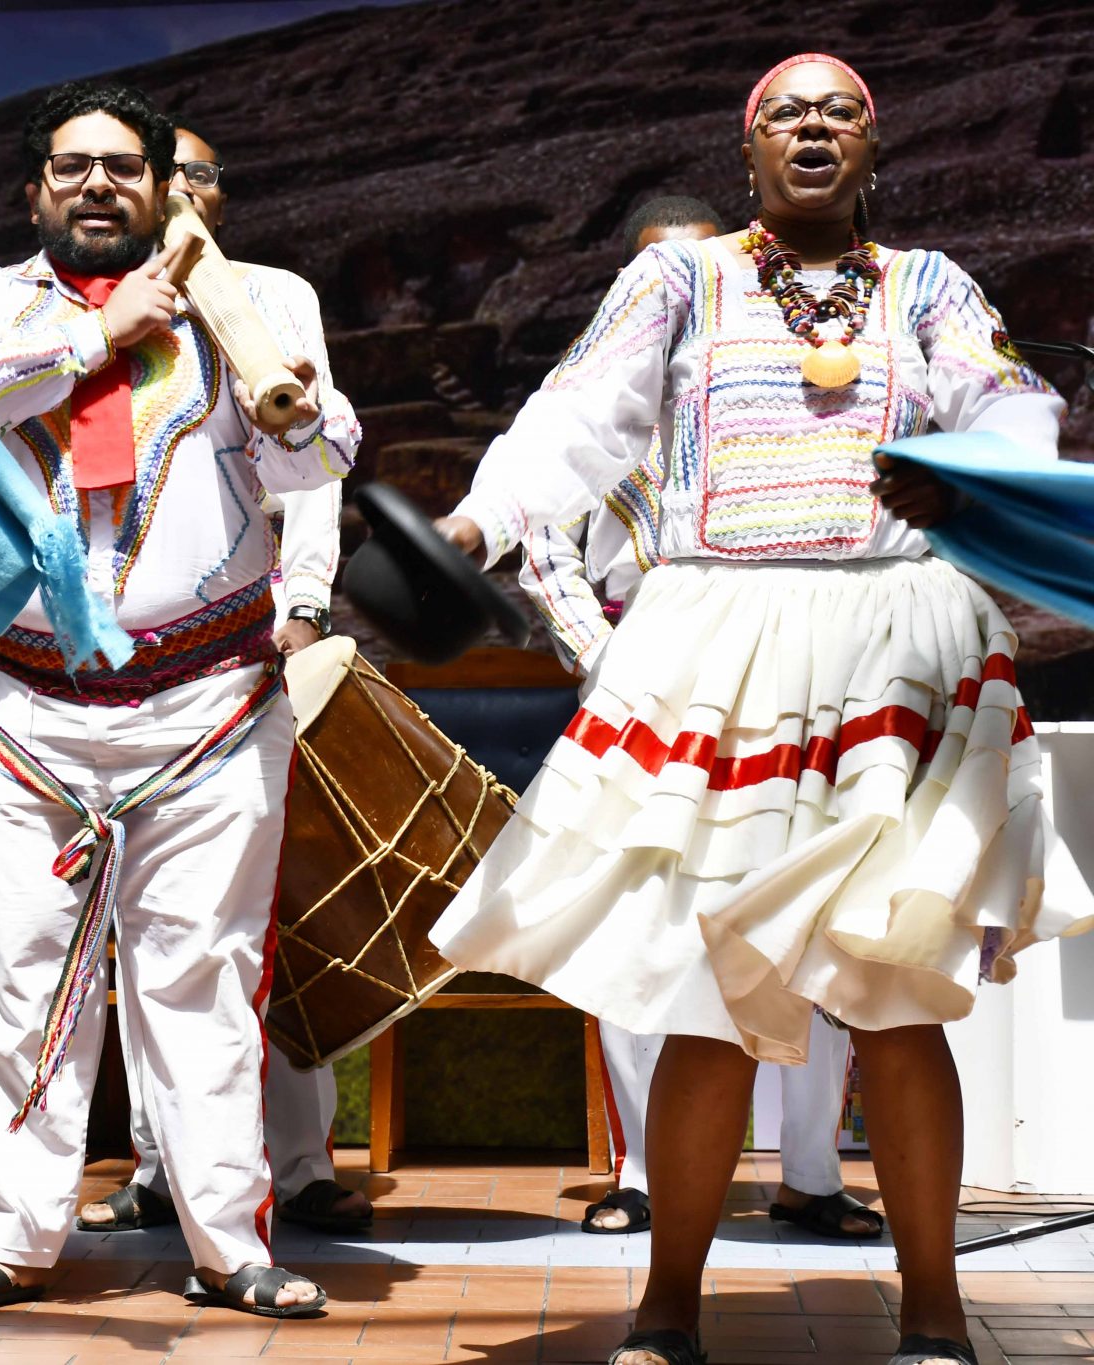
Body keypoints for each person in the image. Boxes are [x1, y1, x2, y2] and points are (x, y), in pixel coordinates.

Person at [429, 56, 1080, 1365]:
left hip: (896, 640)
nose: (817, 129)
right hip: (721, 640)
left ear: (875, 147)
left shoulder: (932, 287)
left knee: (898, 991)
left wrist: (977, 483)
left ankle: (937, 1314)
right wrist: (480, 517)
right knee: (709, 994)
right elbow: (579, 420)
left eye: (842, 112)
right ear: (751, 149)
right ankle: (670, 1303)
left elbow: (1012, 415)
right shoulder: (682, 279)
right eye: (790, 112)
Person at [0, 82, 359, 1319]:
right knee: (10, 972)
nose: (96, 184)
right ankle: (8, 1237)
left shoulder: (261, 299)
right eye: (71, 167)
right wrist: (99, 340)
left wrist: (286, 395)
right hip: (19, 698)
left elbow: (322, 461)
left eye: (122, 166)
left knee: (199, 975)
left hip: (204, 695)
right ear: (32, 190)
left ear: (165, 185)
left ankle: (230, 1247)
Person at [519, 195, 882, 1244]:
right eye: (653, 278)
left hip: (788, 675)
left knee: (810, 923)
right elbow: (543, 543)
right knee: (638, 931)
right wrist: (607, 661)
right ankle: (638, 1169)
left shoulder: (799, 386)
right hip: (639, 677)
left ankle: (808, 1174)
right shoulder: (582, 399)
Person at [81, 124, 370, 1240]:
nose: (182, 190)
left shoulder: (273, 294)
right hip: (109, 667)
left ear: (218, 195)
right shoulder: (88, 302)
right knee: (138, 932)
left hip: (247, 645)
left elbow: (312, 466)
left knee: (252, 923)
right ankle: (162, 1165)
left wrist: (302, 605)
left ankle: (296, 1167)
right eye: (172, 174)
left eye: (200, 175)